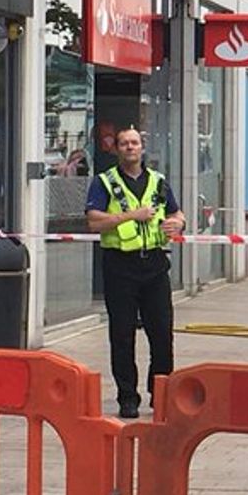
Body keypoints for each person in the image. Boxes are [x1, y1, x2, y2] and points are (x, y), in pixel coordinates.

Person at [84, 126, 184, 418]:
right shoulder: (104, 182)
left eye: (135, 143)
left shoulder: (158, 182)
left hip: (154, 266)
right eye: (124, 144)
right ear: (116, 149)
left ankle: (162, 394)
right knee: (123, 335)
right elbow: (93, 222)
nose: (130, 148)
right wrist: (131, 215)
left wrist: (178, 223)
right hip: (120, 267)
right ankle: (128, 397)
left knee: (162, 334)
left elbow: (176, 213)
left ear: (143, 147)